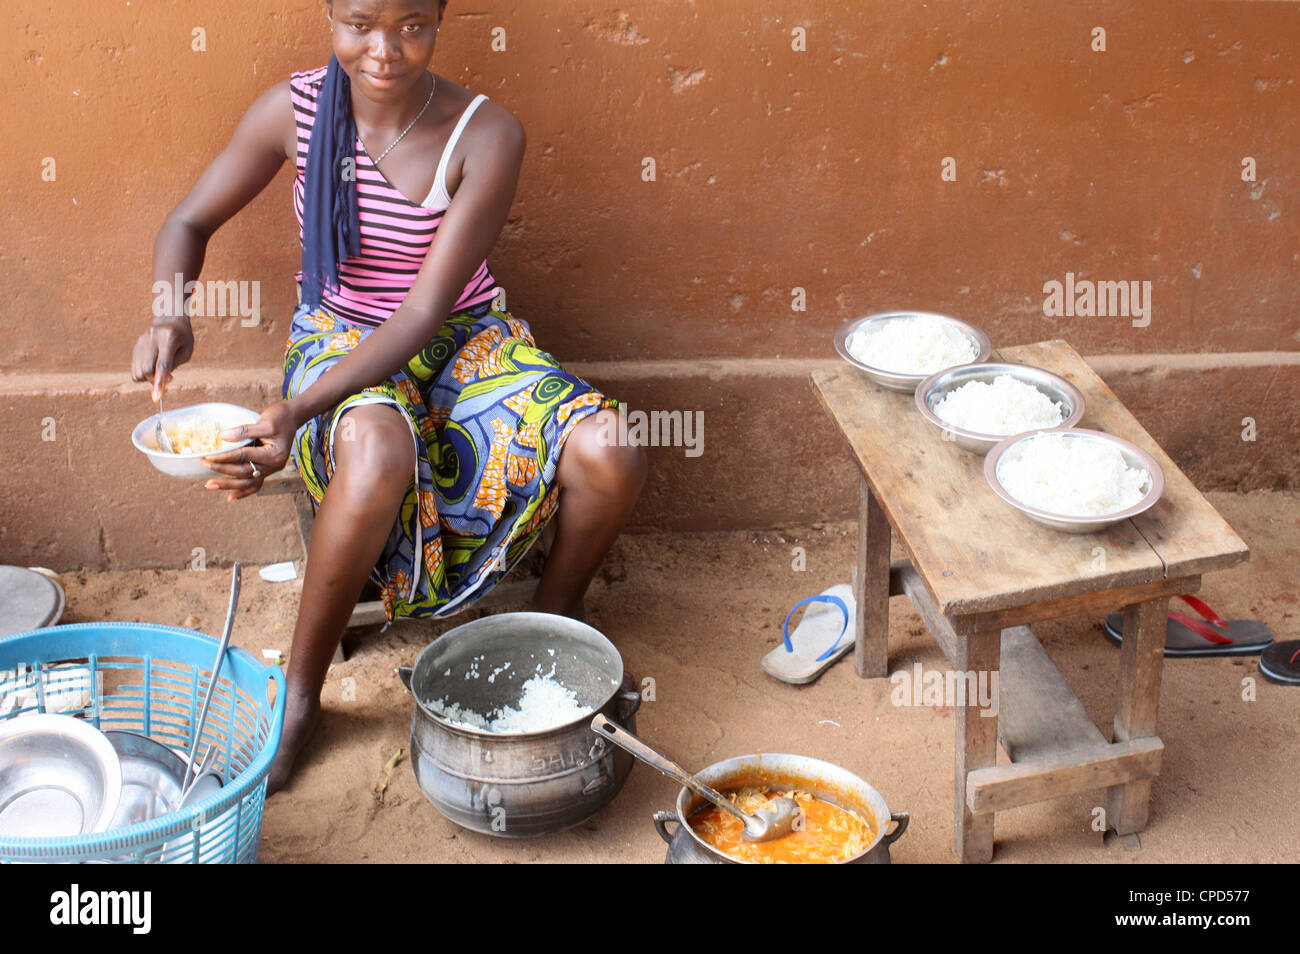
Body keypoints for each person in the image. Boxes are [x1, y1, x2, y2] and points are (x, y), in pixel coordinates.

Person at [130, 0, 646, 793]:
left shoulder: (487, 134)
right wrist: (171, 313)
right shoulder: (295, 111)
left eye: (411, 24)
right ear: (331, 17)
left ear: (440, 20)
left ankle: (551, 631)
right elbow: (189, 221)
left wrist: (295, 413)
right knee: (374, 452)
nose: (383, 49)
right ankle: (301, 697)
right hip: (337, 332)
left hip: (459, 335)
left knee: (612, 450)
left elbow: (421, 315)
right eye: (360, 22)